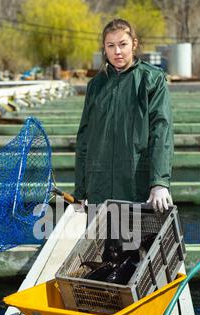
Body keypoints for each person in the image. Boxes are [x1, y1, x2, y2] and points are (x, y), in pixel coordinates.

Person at [74, 18, 174, 213]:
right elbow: (84, 139)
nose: (117, 51)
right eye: (111, 46)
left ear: (134, 44)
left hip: (137, 186)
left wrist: (159, 182)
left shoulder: (151, 80)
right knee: (102, 242)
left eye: (122, 44)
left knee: (136, 242)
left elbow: (161, 131)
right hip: (99, 188)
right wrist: (80, 191)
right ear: (104, 48)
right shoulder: (95, 86)